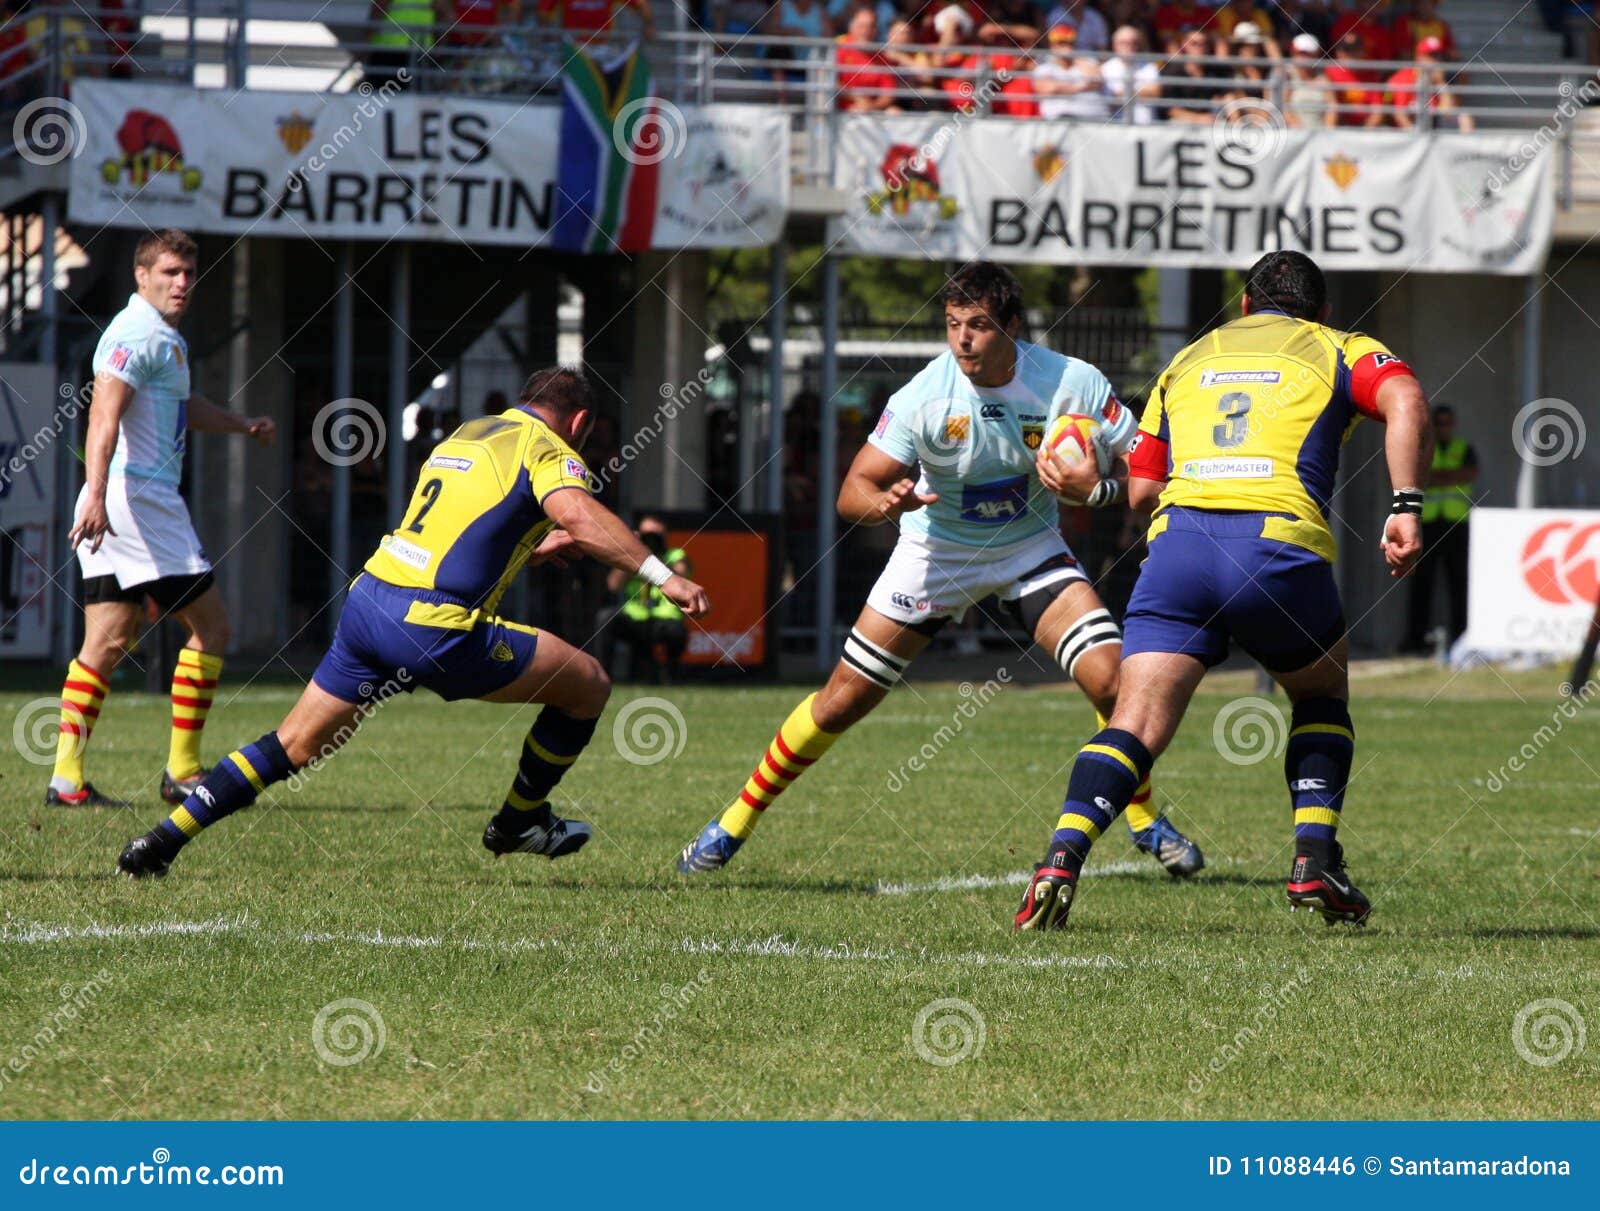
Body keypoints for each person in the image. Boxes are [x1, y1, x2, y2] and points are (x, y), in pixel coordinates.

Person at [677, 262, 1204, 878]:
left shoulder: (1072, 383)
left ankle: (1141, 819)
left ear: (1013, 327)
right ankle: (734, 821)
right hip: (934, 555)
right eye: (953, 325)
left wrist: (1098, 491)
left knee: (1115, 683)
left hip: (1029, 548)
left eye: (978, 326)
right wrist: (883, 504)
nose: (962, 340)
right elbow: (853, 491)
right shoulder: (924, 396)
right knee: (841, 702)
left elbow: (1148, 473)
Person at [115, 368, 711, 878]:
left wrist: (532, 547)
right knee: (589, 684)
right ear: (578, 423)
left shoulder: (471, 432)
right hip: (434, 628)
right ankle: (519, 820)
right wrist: (665, 576)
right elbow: (581, 514)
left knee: (292, 743)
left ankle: (162, 841)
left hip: (370, 601)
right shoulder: (548, 450)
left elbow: (449, 534)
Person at [1014, 250, 1431, 930]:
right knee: (1321, 695)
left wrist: (1093, 488)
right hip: (1275, 550)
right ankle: (1312, 858)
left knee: (1136, 722)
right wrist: (1405, 504)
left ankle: (1062, 855)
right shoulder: (1340, 347)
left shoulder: (1189, 359)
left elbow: (1143, 491)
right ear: (1321, 312)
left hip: (1177, 548)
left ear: (1244, 306)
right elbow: (1407, 397)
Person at [52, 229, 277, 810]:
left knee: (106, 641)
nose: (182, 283)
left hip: (118, 502)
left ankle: (66, 781)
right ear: (141, 276)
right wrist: (98, 493)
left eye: (189, 274)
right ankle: (182, 772)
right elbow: (103, 415)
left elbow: (183, 406)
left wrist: (240, 424)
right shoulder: (135, 334)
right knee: (213, 629)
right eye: (170, 272)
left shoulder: (162, 338)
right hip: (137, 504)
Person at [1402, 404, 1476, 653]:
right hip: (1429, 525)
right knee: (1422, 584)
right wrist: (1446, 476)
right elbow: (1418, 477)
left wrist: (1436, 477)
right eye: (1439, 423)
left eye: (1447, 423)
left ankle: (1461, 639)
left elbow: (1468, 474)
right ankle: (1415, 640)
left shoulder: (1463, 448)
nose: (1444, 428)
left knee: (1459, 583)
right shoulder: (1423, 448)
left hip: (1456, 524)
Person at [605, 515, 692, 681]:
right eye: (647, 535)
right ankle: (603, 675)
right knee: (605, 618)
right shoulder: (631, 556)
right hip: (635, 617)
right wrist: (634, 550)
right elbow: (613, 585)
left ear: (665, 535)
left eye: (655, 536)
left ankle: (671, 676)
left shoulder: (675, 555)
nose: (651, 539)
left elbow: (683, 575)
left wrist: (655, 560)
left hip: (664, 619)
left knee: (677, 631)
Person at [1385, 35, 1473, 130]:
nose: (1437, 60)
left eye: (1439, 55)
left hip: (1429, 123)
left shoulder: (1438, 77)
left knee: (1464, 118)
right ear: (1419, 57)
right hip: (1402, 129)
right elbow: (1400, 114)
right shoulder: (1404, 77)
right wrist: (1414, 135)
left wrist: (1441, 83)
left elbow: (1448, 112)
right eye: (1432, 55)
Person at [1034, 23, 1108, 119]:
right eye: (1060, 43)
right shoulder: (1045, 65)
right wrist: (1080, 87)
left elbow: (1097, 80)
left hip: (1091, 117)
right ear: (1052, 45)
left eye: (1069, 42)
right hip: (1058, 118)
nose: (1065, 47)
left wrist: (1074, 58)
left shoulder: (1086, 60)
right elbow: (1048, 88)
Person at [836, 5, 899, 111]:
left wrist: (871, 106)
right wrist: (856, 97)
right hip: (840, 112)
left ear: (876, 30)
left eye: (871, 26)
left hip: (871, 113)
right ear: (851, 27)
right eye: (862, 26)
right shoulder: (840, 48)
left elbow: (888, 95)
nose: (866, 31)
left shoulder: (882, 58)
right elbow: (826, 78)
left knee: (895, 112)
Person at [1159, 25, 1223, 121]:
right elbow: (1170, 110)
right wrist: (1199, 118)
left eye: (1204, 43)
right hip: (1180, 124)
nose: (1200, 48)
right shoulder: (1172, 72)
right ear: (1184, 45)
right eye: (1194, 43)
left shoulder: (1216, 71)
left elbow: (1227, 96)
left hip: (1211, 121)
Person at [1101, 23, 1161, 123]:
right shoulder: (1105, 69)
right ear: (1114, 45)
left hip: (1147, 125)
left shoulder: (1149, 66)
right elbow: (1109, 102)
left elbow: (1155, 92)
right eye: (1123, 43)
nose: (1129, 46)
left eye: (1134, 42)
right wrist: (1141, 92)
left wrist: (1123, 94)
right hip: (1115, 126)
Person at [1326, 31, 1382, 126]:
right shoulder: (1328, 72)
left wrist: (1364, 133)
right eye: (1347, 50)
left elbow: (1378, 111)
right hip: (1338, 126)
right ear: (1339, 52)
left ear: (1362, 52)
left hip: (1364, 128)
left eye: (1355, 50)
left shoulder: (1370, 74)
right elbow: (1330, 108)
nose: (1351, 55)